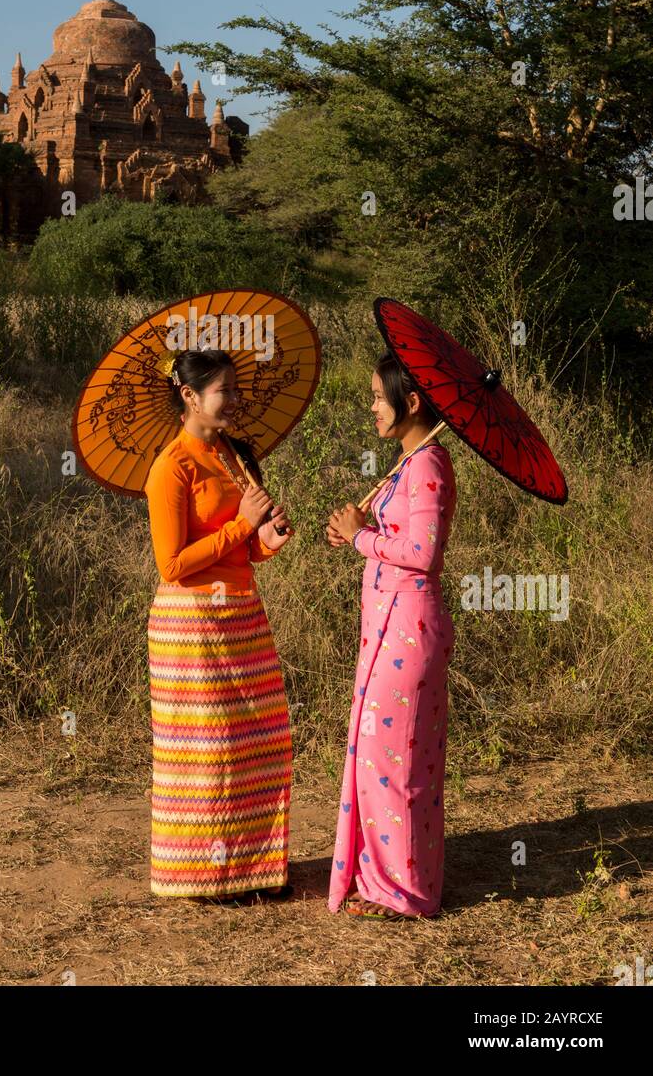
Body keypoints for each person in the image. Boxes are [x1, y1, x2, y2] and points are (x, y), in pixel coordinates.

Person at [143, 347, 294, 901]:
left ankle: (253, 868)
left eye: (236, 389)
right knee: (204, 751)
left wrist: (267, 538)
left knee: (262, 739)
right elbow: (173, 564)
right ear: (189, 397)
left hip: (241, 615)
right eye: (224, 391)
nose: (235, 400)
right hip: (191, 627)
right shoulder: (171, 468)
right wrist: (240, 527)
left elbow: (246, 553)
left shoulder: (235, 456)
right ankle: (200, 877)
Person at [325, 350, 457, 920]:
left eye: (380, 397)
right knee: (385, 753)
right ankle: (386, 877)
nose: (372, 407)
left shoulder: (427, 465)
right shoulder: (408, 463)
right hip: (387, 627)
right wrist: (366, 527)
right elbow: (402, 535)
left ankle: (402, 890)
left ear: (411, 402)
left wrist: (361, 539)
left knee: (396, 759)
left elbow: (424, 555)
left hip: (407, 629)